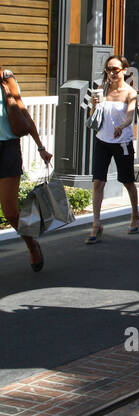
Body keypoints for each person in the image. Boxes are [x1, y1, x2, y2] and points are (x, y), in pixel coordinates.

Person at [0, 64, 53, 271]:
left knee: (10, 212)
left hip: (8, 150)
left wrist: (40, 146)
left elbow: (23, 113)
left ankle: (31, 244)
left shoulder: (6, 78)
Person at [88, 55, 139, 242]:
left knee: (127, 181)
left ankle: (135, 214)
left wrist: (122, 126)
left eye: (115, 69)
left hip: (122, 142)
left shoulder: (130, 92)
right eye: (109, 69)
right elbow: (94, 116)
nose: (111, 73)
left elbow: (130, 116)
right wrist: (94, 106)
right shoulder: (102, 90)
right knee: (97, 182)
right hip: (102, 140)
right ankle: (96, 224)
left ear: (124, 70)